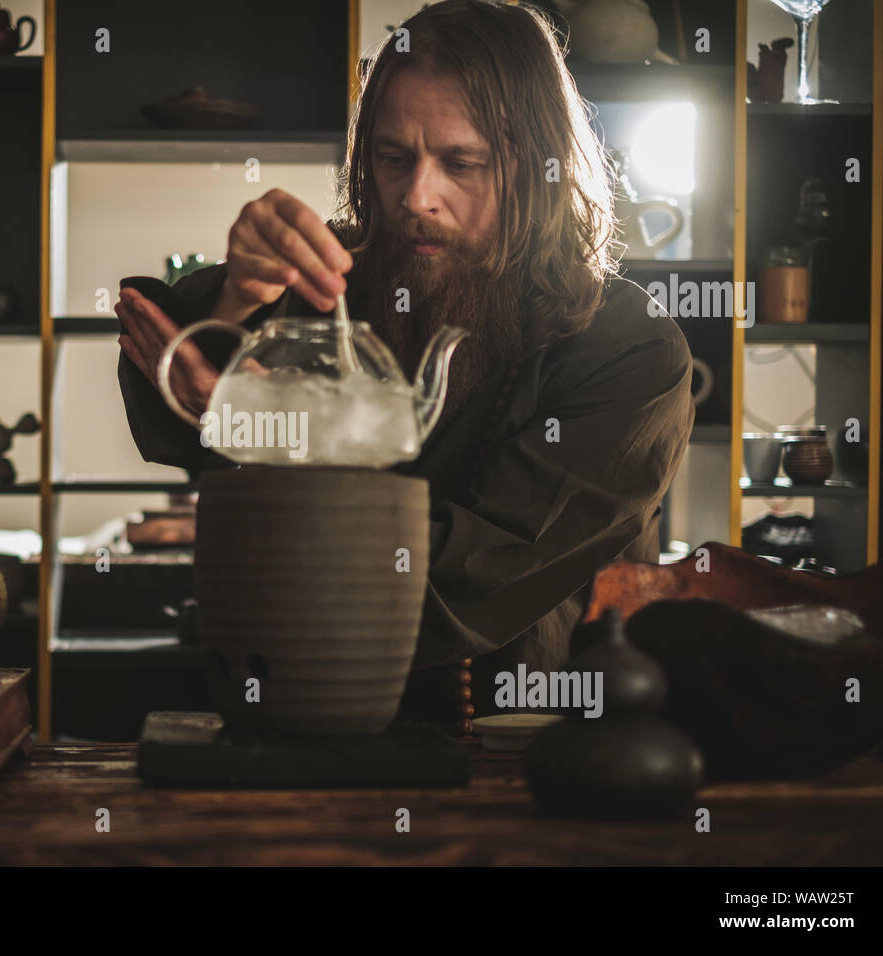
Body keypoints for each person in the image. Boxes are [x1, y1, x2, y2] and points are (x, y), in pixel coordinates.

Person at [115, 0, 694, 720]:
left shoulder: (628, 347)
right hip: (286, 715)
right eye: (393, 158)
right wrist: (236, 297)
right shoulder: (328, 279)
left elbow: (468, 573)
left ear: (538, 165)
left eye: (462, 163)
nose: (417, 197)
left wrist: (277, 439)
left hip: (523, 757)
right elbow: (159, 350)